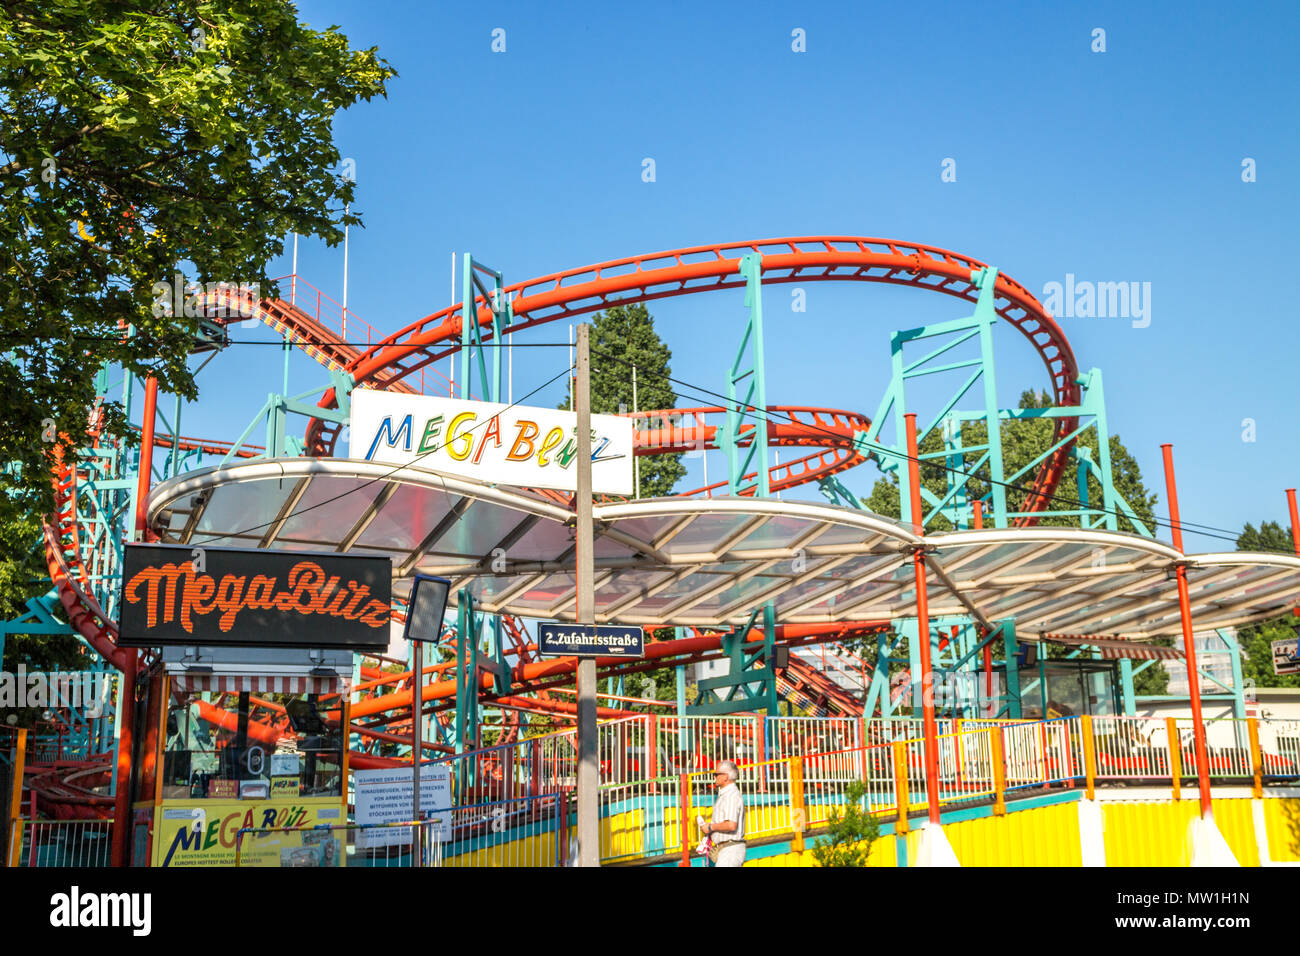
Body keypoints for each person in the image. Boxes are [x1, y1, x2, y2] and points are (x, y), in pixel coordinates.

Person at [702, 759, 745, 867]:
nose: (714, 777)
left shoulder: (731, 796)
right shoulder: (727, 795)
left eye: (716, 774)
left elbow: (731, 825)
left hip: (730, 850)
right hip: (727, 849)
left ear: (725, 777)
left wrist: (710, 827)